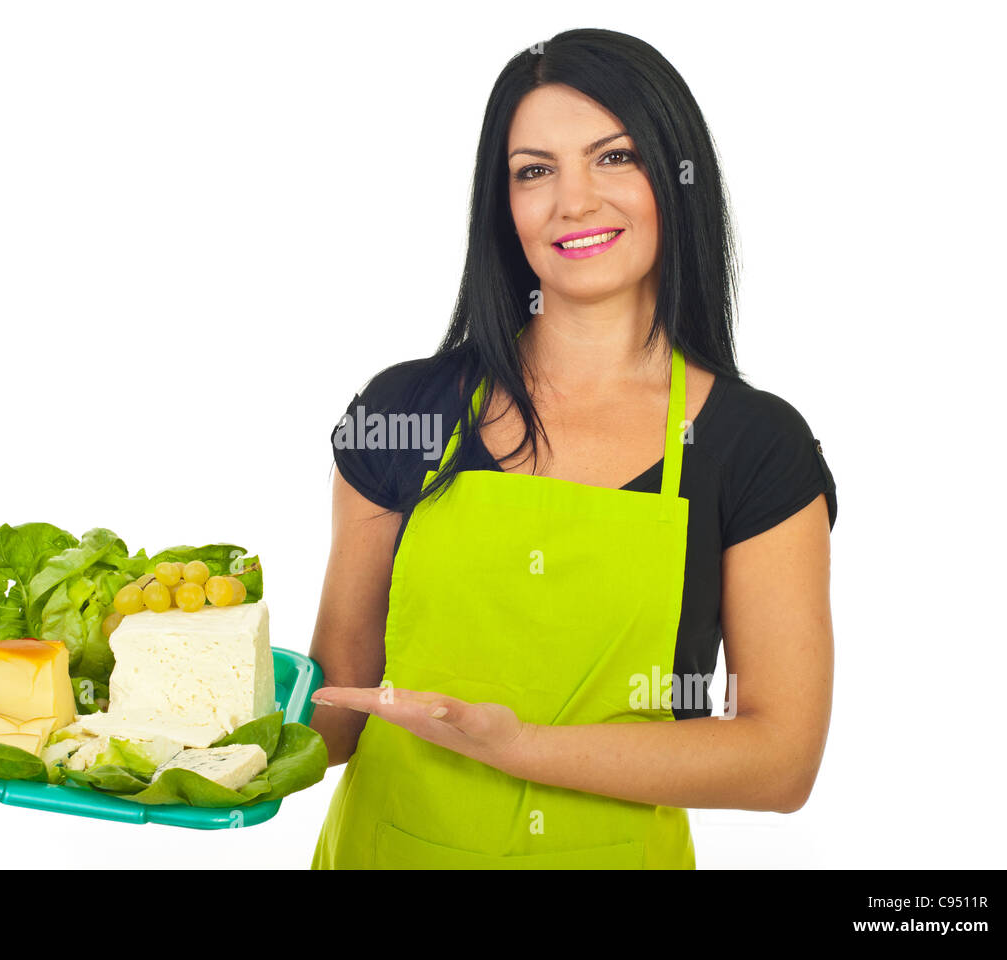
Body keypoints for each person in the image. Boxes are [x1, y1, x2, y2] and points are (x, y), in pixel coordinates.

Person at [307, 28, 837, 870]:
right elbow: (333, 715)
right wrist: (157, 699)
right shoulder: (403, 411)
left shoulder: (754, 448)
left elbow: (781, 761)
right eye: (535, 170)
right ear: (503, 202)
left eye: (614, 157)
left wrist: (513, 746)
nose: (575, 202)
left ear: (675, 175)